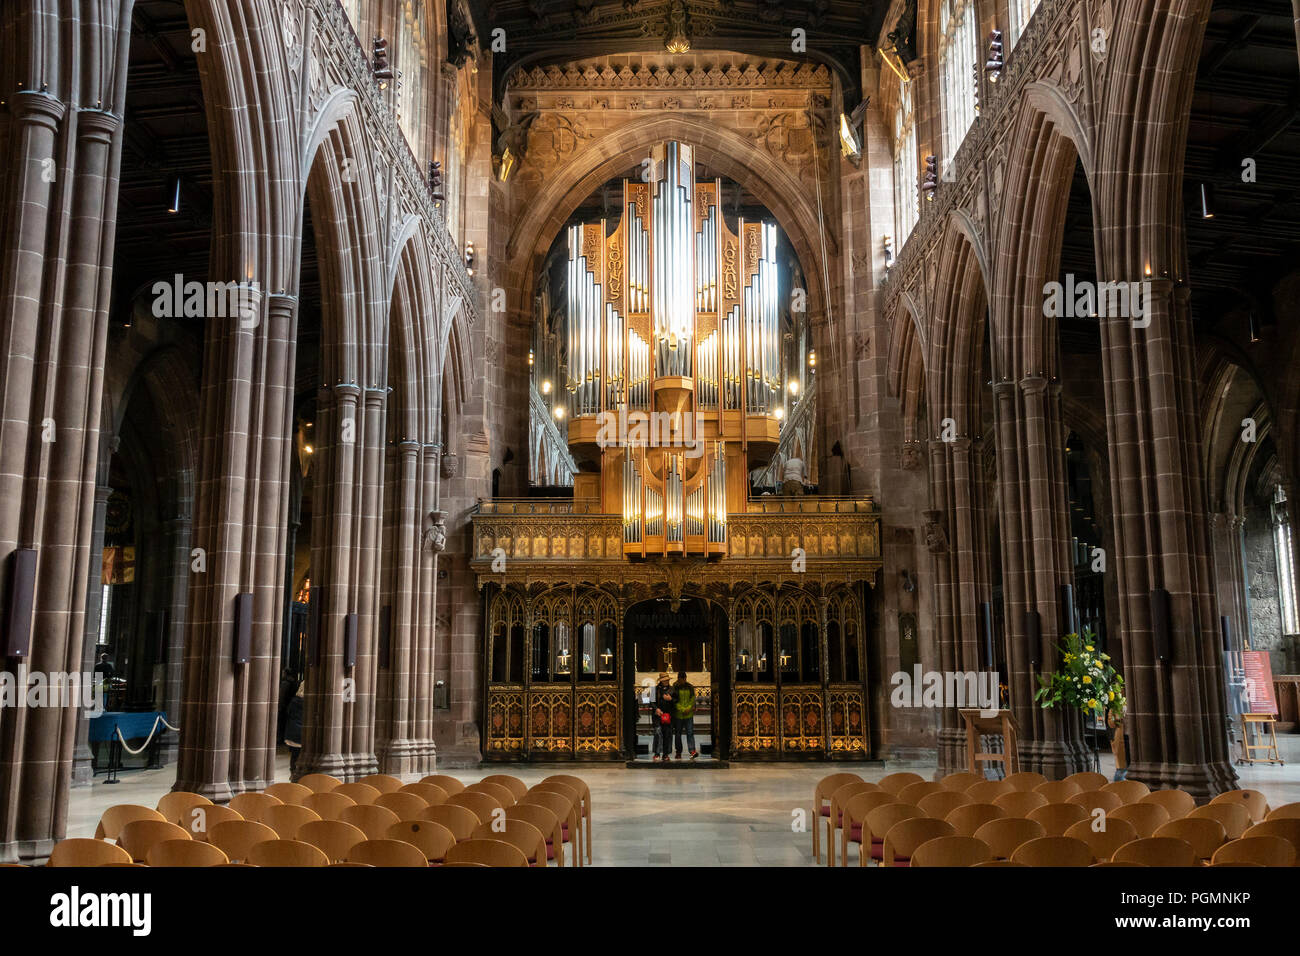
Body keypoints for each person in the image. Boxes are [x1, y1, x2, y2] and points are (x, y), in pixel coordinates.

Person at [672, 670, 698, 760]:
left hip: (688, 714)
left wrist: (689, 708)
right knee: (678, 734)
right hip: (678, 714)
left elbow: (692, 698)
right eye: (681, 679)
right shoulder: (675, 687)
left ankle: (692, 751)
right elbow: (674, 700)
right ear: (678, 678)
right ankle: (678, 752)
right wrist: (682, 709)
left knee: (690, 733)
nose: (683, 681)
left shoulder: (690, 687)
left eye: (684, 679)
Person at [653, 672, 674, 762]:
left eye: (667, 680)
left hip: (668, 715)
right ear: (661, 681)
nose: (666, 682)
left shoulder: (672, 689)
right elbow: (651, 702)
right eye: (664, 680)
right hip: (658, 716)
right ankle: (657, 753)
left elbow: (676, 701)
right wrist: (656, 709)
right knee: (658, 734)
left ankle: (665, 754)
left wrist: (671, 699)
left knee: (667, 735)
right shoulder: (655, 689)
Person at [284, 681, 304, 774]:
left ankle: (293, 773)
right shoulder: (310, 702)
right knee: (302, 755)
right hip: (302, 733)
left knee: (295, 754)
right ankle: (299, 774)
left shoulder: (294, 700)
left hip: (293, 731)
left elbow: (288, 713)